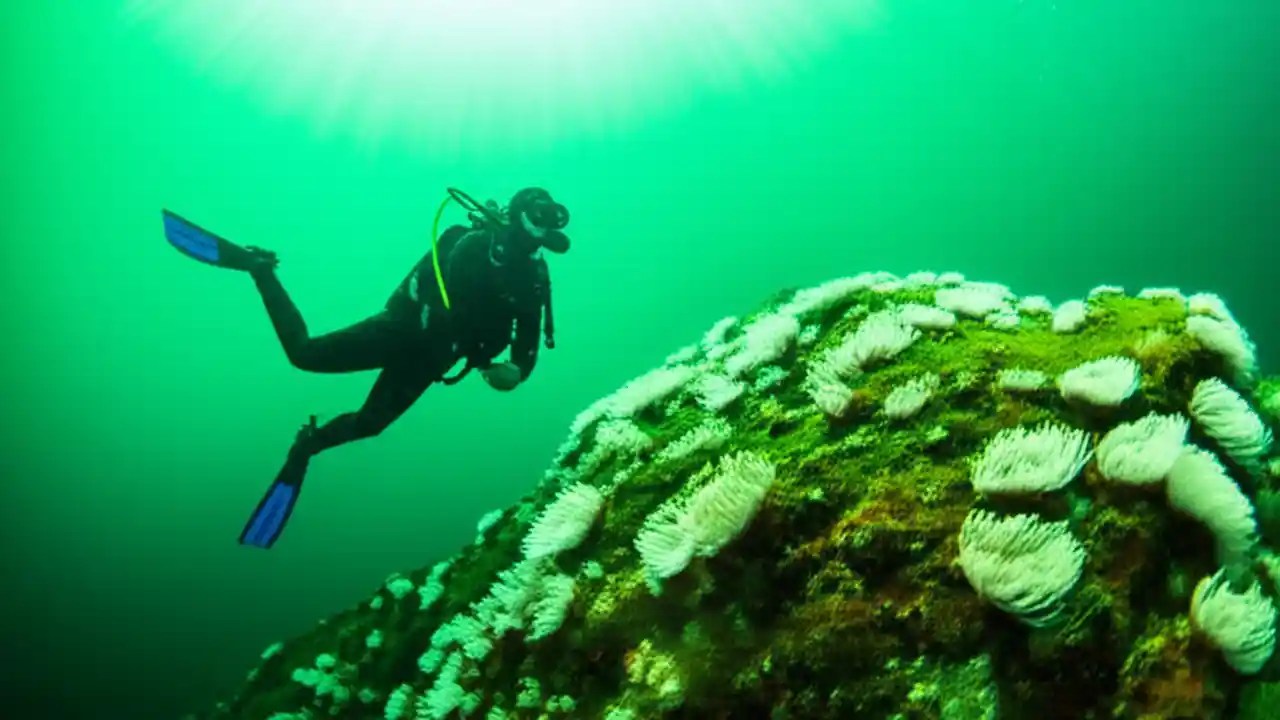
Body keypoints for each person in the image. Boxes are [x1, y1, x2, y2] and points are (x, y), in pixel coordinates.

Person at [161, 187, 571, 548]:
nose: (537, 230)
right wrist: (482, 349)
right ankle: (258, 269)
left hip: (431, 359)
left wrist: (515, 371)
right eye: (533, 217)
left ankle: (309, 444)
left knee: (371, 424)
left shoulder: (534, 280)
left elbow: (528, 343)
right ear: (515, 216)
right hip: (400, 329)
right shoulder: (475, 245)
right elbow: (445, 287)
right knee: (304, 355)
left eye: (546, 221)